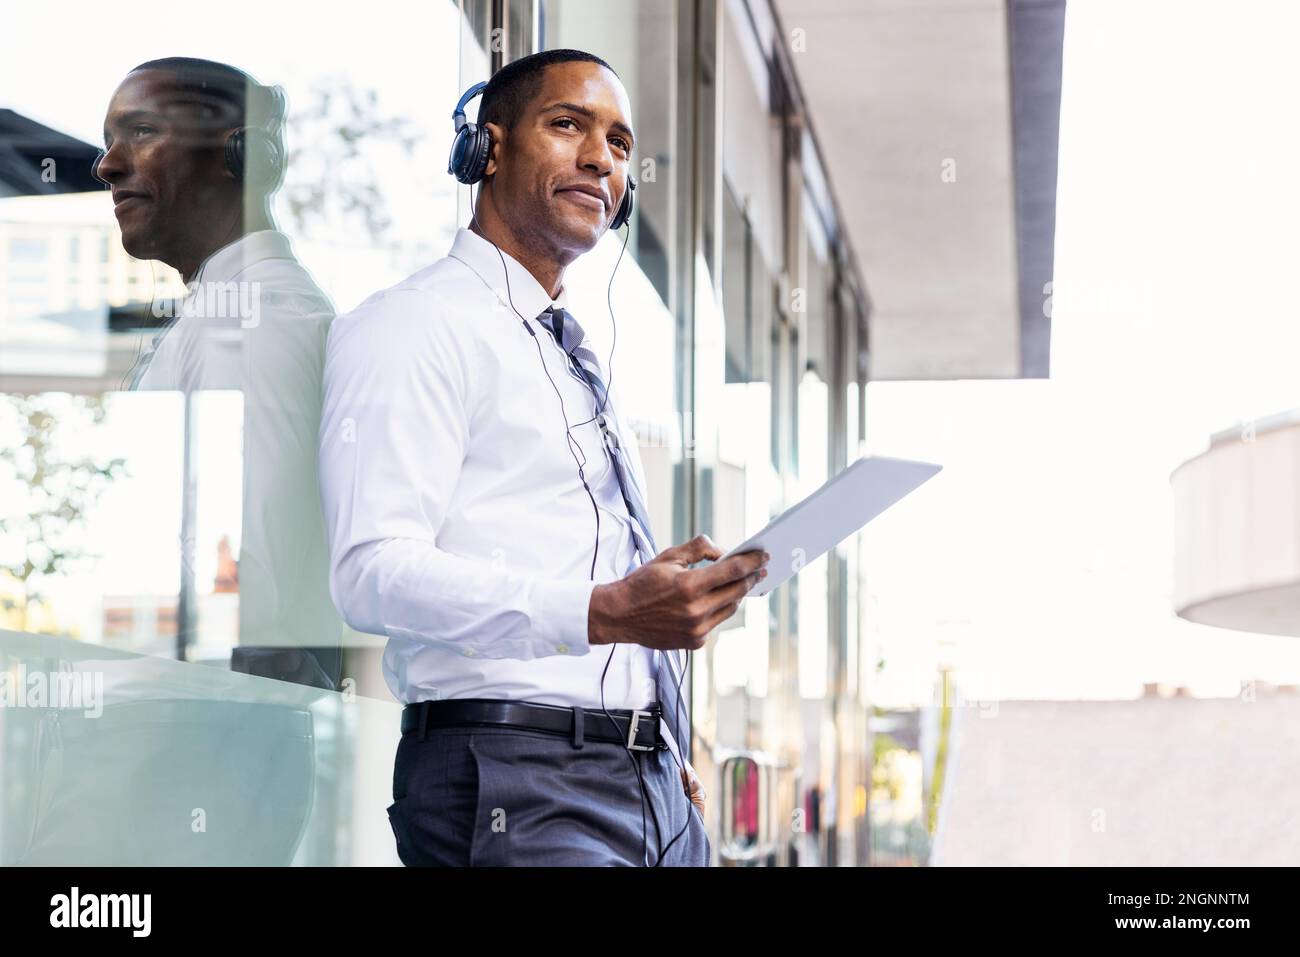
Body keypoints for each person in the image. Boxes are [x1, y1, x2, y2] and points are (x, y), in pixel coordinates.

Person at [318, 49, 768, 866]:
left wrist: (657, 730)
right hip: (513, 782)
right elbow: (370, 571)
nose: (603, 156)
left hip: (651, 785)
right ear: (486, 150)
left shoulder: (571, 355)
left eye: (621, 143)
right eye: (569, 125)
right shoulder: (414, 324)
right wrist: (606, 609)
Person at [96, 57, 342, 688]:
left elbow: (244, 584)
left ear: (243, 156)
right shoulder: (226, 308)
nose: (109, 165)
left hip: (186, 726)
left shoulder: (251, 316)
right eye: (109, 142)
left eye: (143, 132)